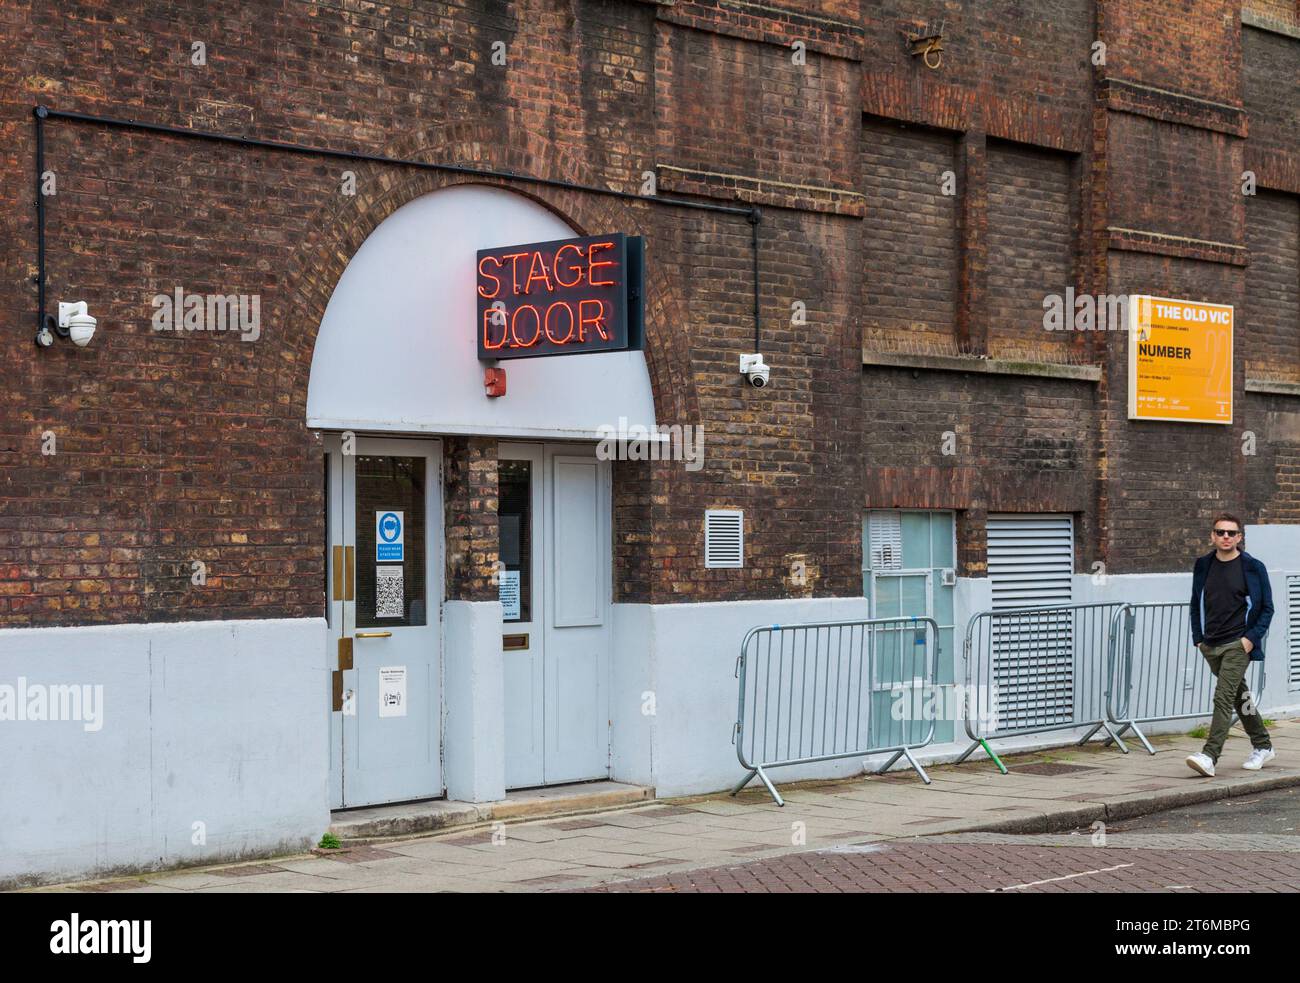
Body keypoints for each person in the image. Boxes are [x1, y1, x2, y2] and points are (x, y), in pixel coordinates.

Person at [1185, 512, 1274, 777]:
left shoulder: (1252, 567)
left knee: (1223, 697)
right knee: (1239, 696)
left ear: (1239, 537)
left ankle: (1210, 755)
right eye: (1221, 532)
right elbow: (1195, 602)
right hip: (1210, 644)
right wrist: (1198, 638)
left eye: (1231, 533)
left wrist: (1250, 639)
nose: (1226, 537)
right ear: (1212, 536)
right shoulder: (1203, 565)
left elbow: (1267, 608)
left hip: (1237, 644)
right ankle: (1263, 745)